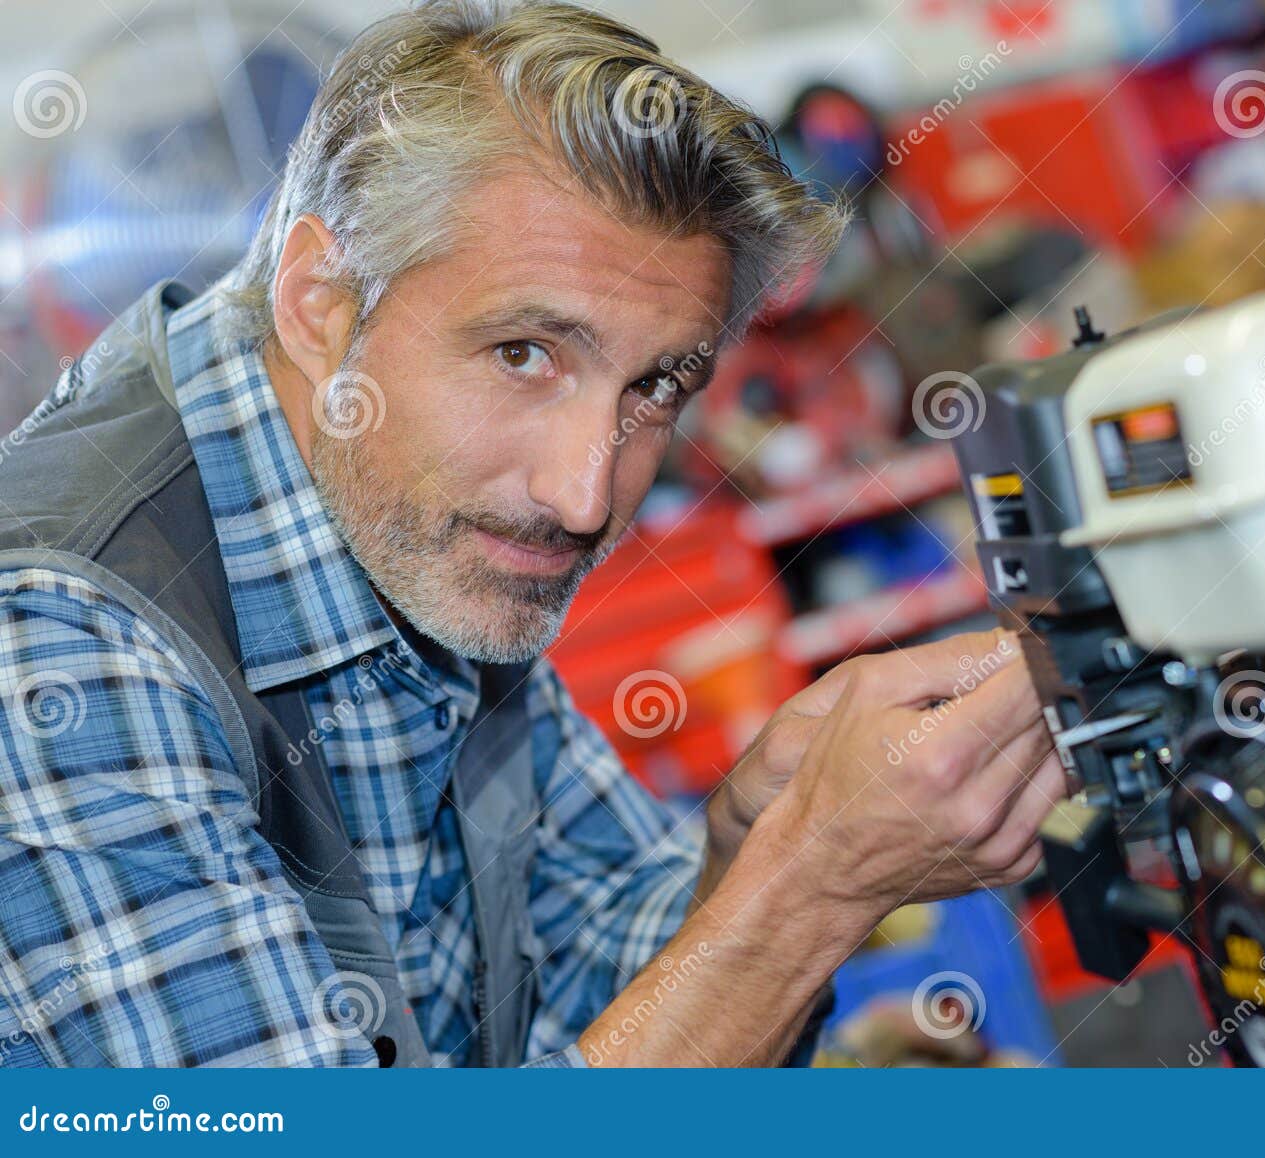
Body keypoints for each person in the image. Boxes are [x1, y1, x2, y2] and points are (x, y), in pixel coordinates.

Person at [0, 0, 1064, 1068]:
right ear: (320, 302)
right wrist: (810, 893)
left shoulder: (400, 511)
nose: (584, 494)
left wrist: (751, 849)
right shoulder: (58, 646)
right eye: (523, 354)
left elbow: (580, 953)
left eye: (654, 386)